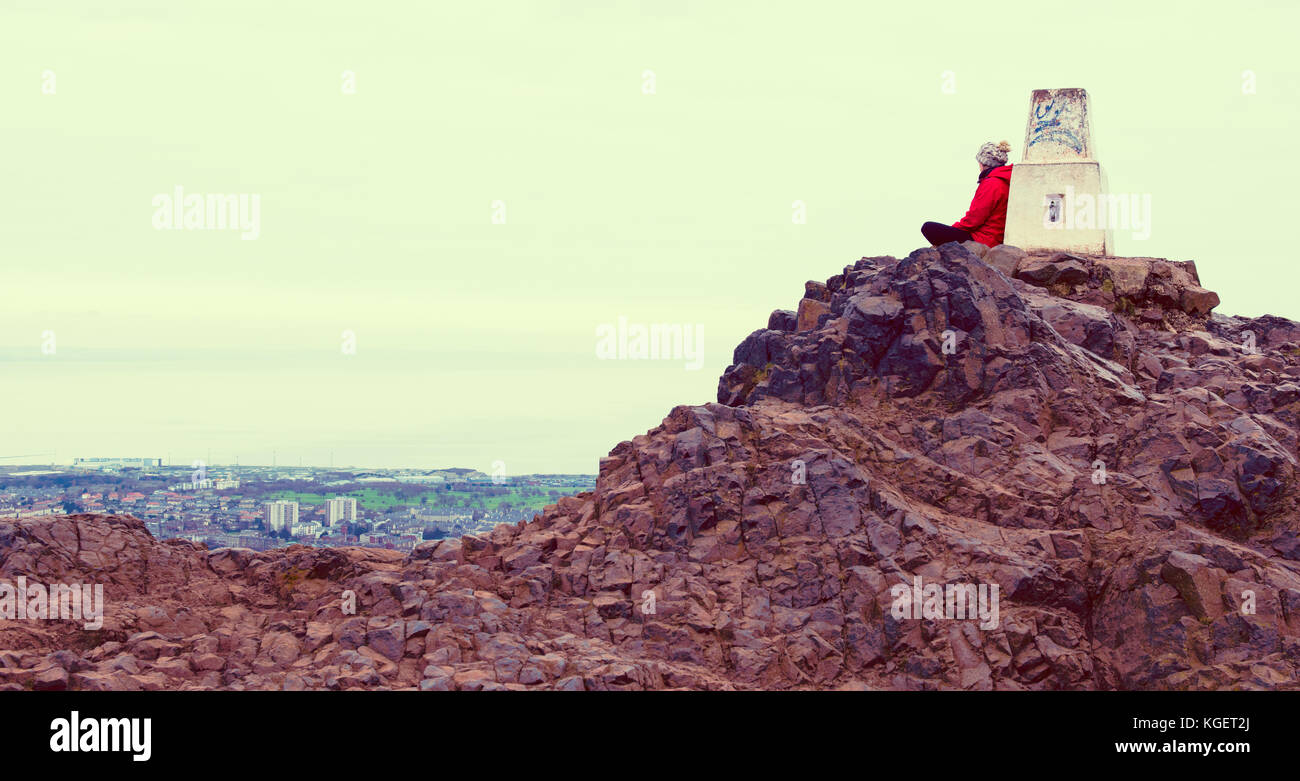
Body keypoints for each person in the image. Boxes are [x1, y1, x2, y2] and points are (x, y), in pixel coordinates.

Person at [921, 140, 1013, 248]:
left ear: (982, 163)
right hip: (995, 237)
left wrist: (954, 229)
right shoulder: (1007, 180)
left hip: (983, 239)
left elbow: (974, 219)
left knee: (928, 228)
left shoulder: (992, 183)